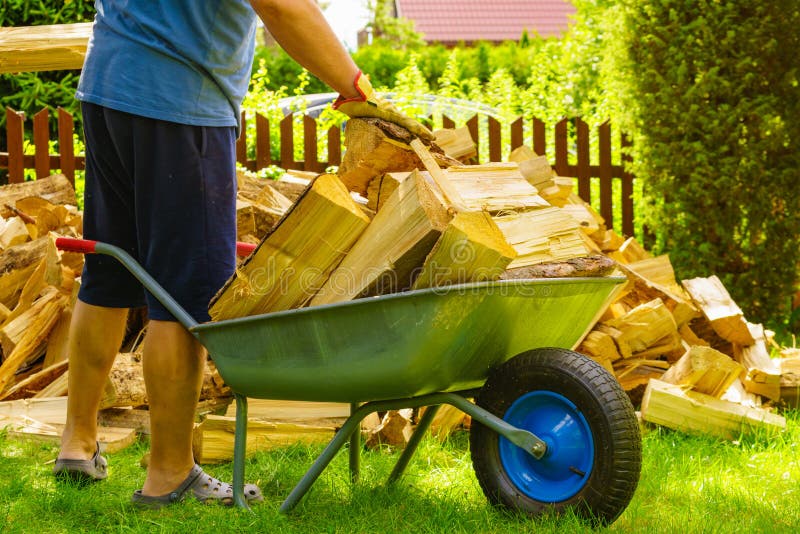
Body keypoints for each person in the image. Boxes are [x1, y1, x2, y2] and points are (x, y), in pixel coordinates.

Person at [53, 0, 431, 509]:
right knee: (187, 296)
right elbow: (283, 7)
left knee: (111, 270)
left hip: (109, 86)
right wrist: (355, 87)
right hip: (179, 101)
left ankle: (77, 444)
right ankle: (169, 475)